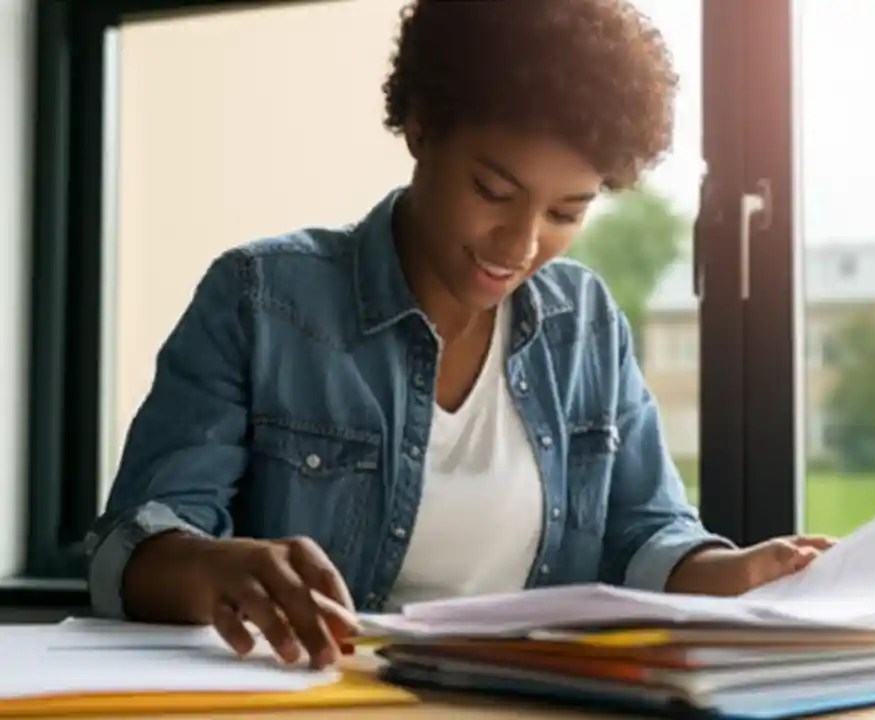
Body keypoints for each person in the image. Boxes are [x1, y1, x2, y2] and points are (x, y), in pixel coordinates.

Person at [86, 0, 833, 670]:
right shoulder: (263, 300)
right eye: (494, 192)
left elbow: (645, 534)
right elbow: (133, 549)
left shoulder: (585, 325)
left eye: (566, 213)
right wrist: (214, 567)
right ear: (421, 129)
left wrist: (735, 573)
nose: (521, 242)